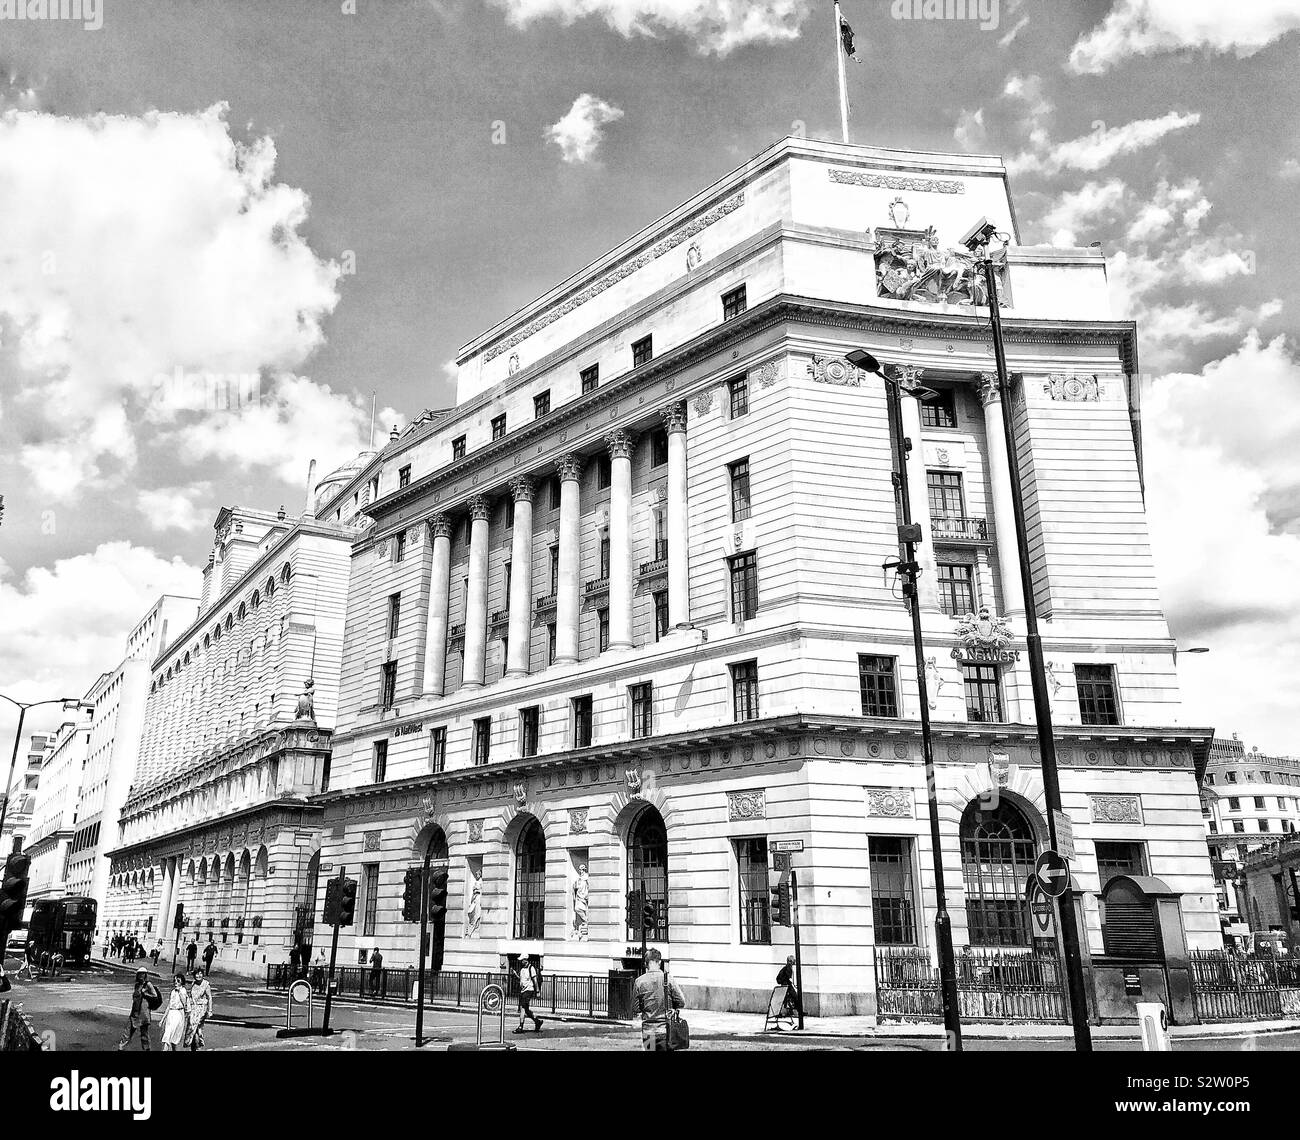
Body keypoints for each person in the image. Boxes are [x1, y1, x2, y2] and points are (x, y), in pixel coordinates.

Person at [633, 948, 684, 1051]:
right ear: (659, 962)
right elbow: (681, 1001)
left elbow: (635, 1008)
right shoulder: (668, 979)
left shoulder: (639, 981)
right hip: (665, 1031)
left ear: (646, 963)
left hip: (648, 1032)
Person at [117, 968, 161, 1052]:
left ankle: (146, 1049)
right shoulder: (137, 985)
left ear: (145, 975)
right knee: (127, 1033)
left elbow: (155, 996)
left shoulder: (148, 984)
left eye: (143, 974)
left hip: (143, 1013)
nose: (141, 976)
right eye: (140, 974)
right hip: (135, 1012)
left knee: (144, 1034)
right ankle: (121, 1048)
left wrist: (145, 993)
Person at [159, 972, 193, 1051]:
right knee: (171, 1036)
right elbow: (169, 1006)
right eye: (175, 981)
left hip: (178, 1014)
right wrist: (162, 1019)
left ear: (182, 982)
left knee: (168, 1035)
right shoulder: (173, 992)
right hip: (171, 1014)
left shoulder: (183, 991)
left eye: (178, 981)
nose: (176, 983)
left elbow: (184, 1004)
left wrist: (180, 992)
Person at [512, 957, 544, 1034]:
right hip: (523, 991)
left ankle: (520, 1027)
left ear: (525, 960)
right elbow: (521, 979)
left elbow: (535, 980)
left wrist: (537, 991)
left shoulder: (531, 968)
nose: (520, 962)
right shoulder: (522, 970)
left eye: (522, 960)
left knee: (522, 1008)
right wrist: (516, 975)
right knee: (526, 1009)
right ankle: (537, 1021)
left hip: (529, 990)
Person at [186, 968, 213, 1051]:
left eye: (200, 973)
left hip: (201, 1009)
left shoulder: (206, 984)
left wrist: (209, 1010)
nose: (198, 976)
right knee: (193, 1029)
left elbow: (209, 997)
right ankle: (194, 1047)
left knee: (196, 1027)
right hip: (193, 1009)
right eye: (197, 974)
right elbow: (190, 996)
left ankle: (197, 1047)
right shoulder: (193, 984)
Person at [776, 955, 802, 1022]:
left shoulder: (786, 968)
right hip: (787, 986)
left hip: (785, 985)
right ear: (790, 961)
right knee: (795, 997)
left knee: (787, 999)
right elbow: (788, 978)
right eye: (794, 961)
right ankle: (799, 1011)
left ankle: (787, 1011)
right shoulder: (788, 968)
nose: (795, 962)